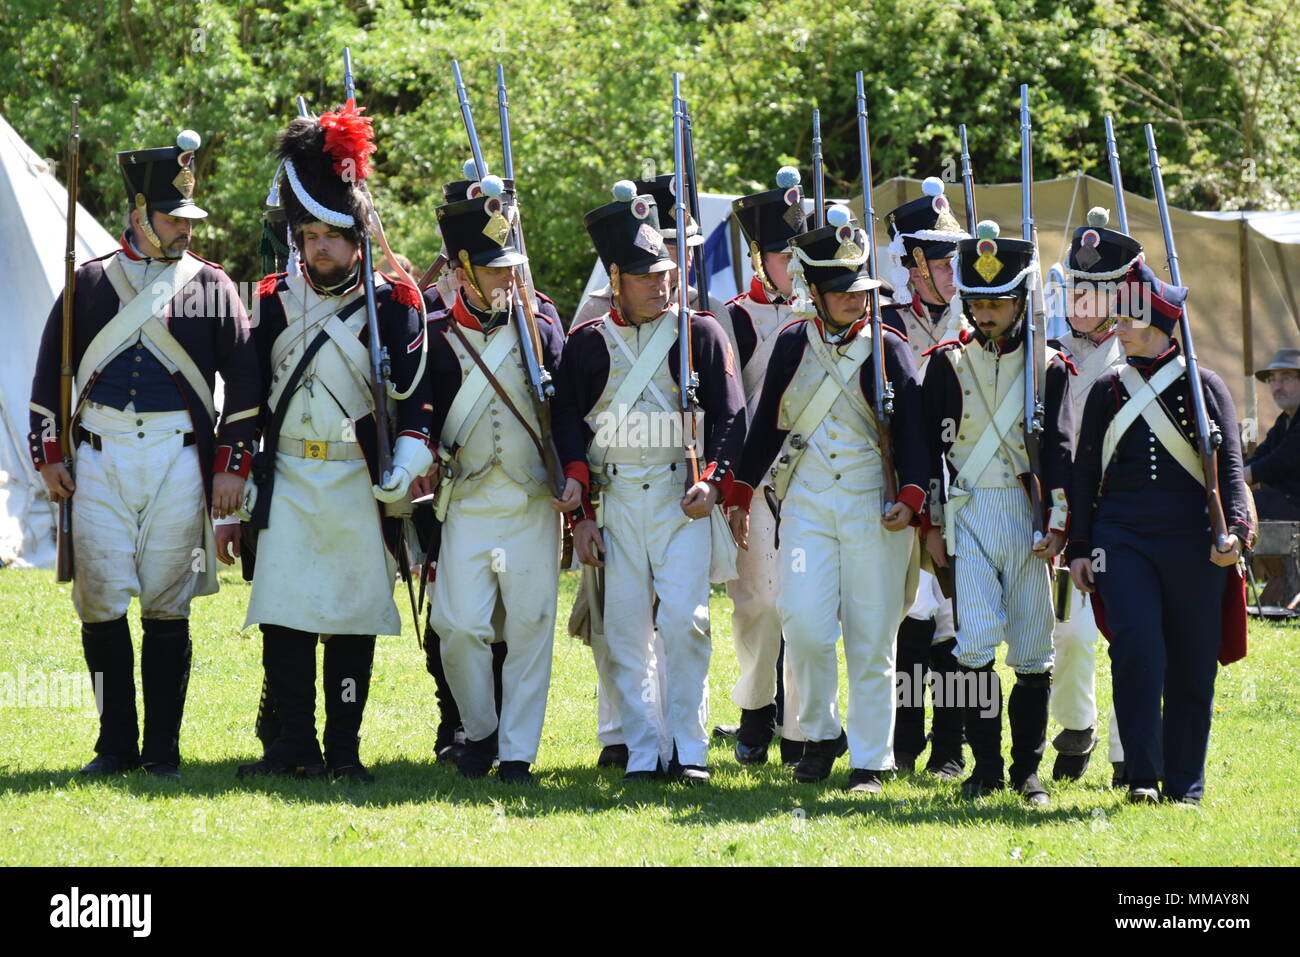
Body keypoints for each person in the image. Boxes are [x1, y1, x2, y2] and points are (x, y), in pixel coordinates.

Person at [29, 130, 260, 779]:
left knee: (167, 604)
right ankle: (114, 744)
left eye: (187, 217)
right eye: (171, 217)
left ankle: (161, 749)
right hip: (98, 459)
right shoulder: (90, 281)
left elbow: (243, 381)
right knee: (99, 602)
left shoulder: (212, 286)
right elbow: (50, 376)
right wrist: (49, 454)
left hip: (178, 461)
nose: (183, 229)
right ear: (138, 213)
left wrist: (230, 466)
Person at [218, 102, 431, 783]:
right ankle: (294, 743)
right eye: (307, 236)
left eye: (331, 236)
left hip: (353, 483)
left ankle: (344, 745)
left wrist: (411, 459)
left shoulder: (393, 302)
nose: (319, 249)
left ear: (356, 235)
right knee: (283, 615)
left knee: (351, 619)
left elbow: (416, 401)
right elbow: (246, 399)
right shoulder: (271, 300)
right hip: (285, 477)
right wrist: (238, 474)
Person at [727, 204, 927, 793]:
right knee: (807, 627)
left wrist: (912, 498)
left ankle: (872, 759)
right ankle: (817, 735)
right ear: (811, 289)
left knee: (871, 637)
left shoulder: (890, 348)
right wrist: (739, 493)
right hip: (808, 506)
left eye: (859, 288)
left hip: (874, 508)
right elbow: (765, 427)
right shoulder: (792, 344)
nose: (853, 299)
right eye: (839, 289)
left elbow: (913, 434)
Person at [552, 180, 746, 783]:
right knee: (622, 634)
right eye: (645, 274)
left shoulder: (701, 333)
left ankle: (689, 748)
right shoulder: (585, 345)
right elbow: (566, 433)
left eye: (664, 271)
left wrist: (713, 483)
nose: (661, 283)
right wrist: (580, 516)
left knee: (686, 623)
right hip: (614, 505)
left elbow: (732, 416)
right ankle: (641, 749)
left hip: (678, 499)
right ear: (615, 277)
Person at [1067, 260, 1251, 805]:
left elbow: (1233, 470)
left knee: (1193, 660)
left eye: (1130, 323)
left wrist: (1236, 532)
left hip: (1193, 538)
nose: (1118, 331)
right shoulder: (1107, 389)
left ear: (1164, 325)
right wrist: (1079, 546)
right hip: (1121, 534)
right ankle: (1142, 776)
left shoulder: (1205, 385)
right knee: (1138, 647)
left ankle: (1185, 785)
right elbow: (1083, 473)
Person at [922, 220, 1075, 805]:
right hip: (967, 512)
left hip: (1027, 514)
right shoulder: (946, 362)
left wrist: (1057, 523)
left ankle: (1027, 770)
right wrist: (932, 525)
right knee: (973, 644)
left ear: (1021, 302)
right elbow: (927, 453)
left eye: (999, 302)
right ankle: (985, 768)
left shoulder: (1049, 367)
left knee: (1035, 645)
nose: (985, 314)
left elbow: (1058, 453)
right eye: (977, 302)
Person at [422, 176, 566, 784]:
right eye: (493, 268)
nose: (507, 278)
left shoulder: (542, 325)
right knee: (456, 626)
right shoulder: (433, 331)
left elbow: (569, 408)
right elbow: (419, 416)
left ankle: (518, 754)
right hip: (469, 501)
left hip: (532, 501)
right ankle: (478, 731)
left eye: (511, 266)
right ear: (462, 269)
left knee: (531, 628)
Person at [715, 166, 809, 766]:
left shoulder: (829, 312)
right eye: (783, 255)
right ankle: (755, 714)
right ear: (758, 257)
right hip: (755, 474)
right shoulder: (734, 317)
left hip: (813, 476)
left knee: (804, 604)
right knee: (756, 602)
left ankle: (803, 724)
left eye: (802, 253)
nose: (793, 265)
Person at [1045, 207, 1138, 784]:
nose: (1084, 300)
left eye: (1098, 291)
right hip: (1065, 510)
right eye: (1078, 288)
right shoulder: (1045, 349)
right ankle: (1077, 724)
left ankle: (1132, 752)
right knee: (1071, 633)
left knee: (1132, 633)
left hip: (1126, 509)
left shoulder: (1140, 353)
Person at [881, 176, 969, 779]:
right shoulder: (884, 322)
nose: (954, 269)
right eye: (942, 260)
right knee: (909, 619)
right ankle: (903, 737)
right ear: (913, 265)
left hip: (967, 485)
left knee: (960, 624)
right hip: (903, 481)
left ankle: (952, 744)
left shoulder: (981, 317)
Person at [1245, 348, 1300, 521]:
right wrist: (1234, 474)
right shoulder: (1283, 421)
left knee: (1251, 503)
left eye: (1285, 378)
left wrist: (1235, 479)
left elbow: (1277, 462)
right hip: (1286, 502)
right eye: (1272, 379)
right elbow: (1262, 454)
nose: (1277, 387)